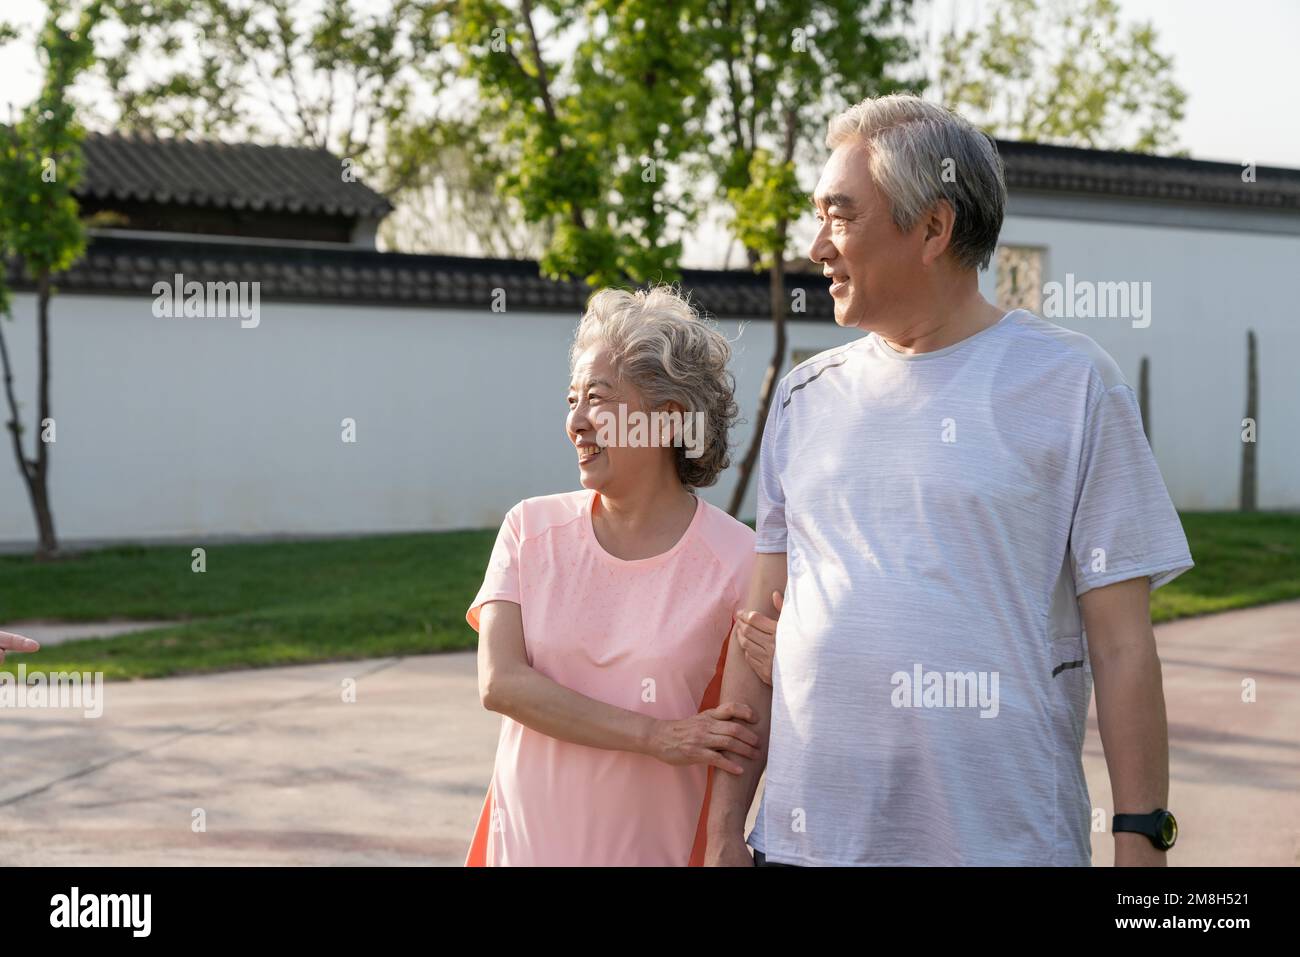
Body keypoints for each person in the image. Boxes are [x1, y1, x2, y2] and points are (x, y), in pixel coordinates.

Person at [708, 93, 1193, 867]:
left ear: (933, 227)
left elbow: (1124, 646)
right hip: (803, 845)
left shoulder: (1073, 386)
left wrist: (1142, 841)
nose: (815, 245)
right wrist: (725, 829)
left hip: (1002, 845)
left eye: (840, 215)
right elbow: (757, 625)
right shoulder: (806, 397)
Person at [465, 285, 762, 866]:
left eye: (597, 400)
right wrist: (655, 736)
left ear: (668, 420)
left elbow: (746, 736)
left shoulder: (741, 562)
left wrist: (727, 841)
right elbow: (500, 683)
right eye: (571, 400)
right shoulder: (529, 529)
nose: (576, 422)